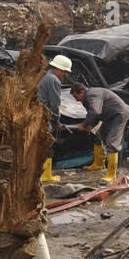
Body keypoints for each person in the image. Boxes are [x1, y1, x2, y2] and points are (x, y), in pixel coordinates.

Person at [69, 83, 129, 184]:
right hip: (109, 117)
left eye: (76, 96)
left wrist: (84, 124)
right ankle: (98, 164)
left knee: (112, 142)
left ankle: (111, 174)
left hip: (119, 115)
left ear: (82, 92)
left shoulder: (91, 95)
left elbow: (95, 112)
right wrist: (90, 126)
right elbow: (93, 114)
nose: (76, 99)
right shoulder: (86, 97)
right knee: (98, 136)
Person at [37, 55, 73, 183]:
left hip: (38, 114)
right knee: (47, 144)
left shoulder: (46, 76)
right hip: (44, 116)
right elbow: (54, 104)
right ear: (59, 69)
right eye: (65, 72)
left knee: (41, 145)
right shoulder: (53, 80)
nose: (65, 75)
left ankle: (41, 173)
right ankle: (46, 175)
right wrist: (56, 121)